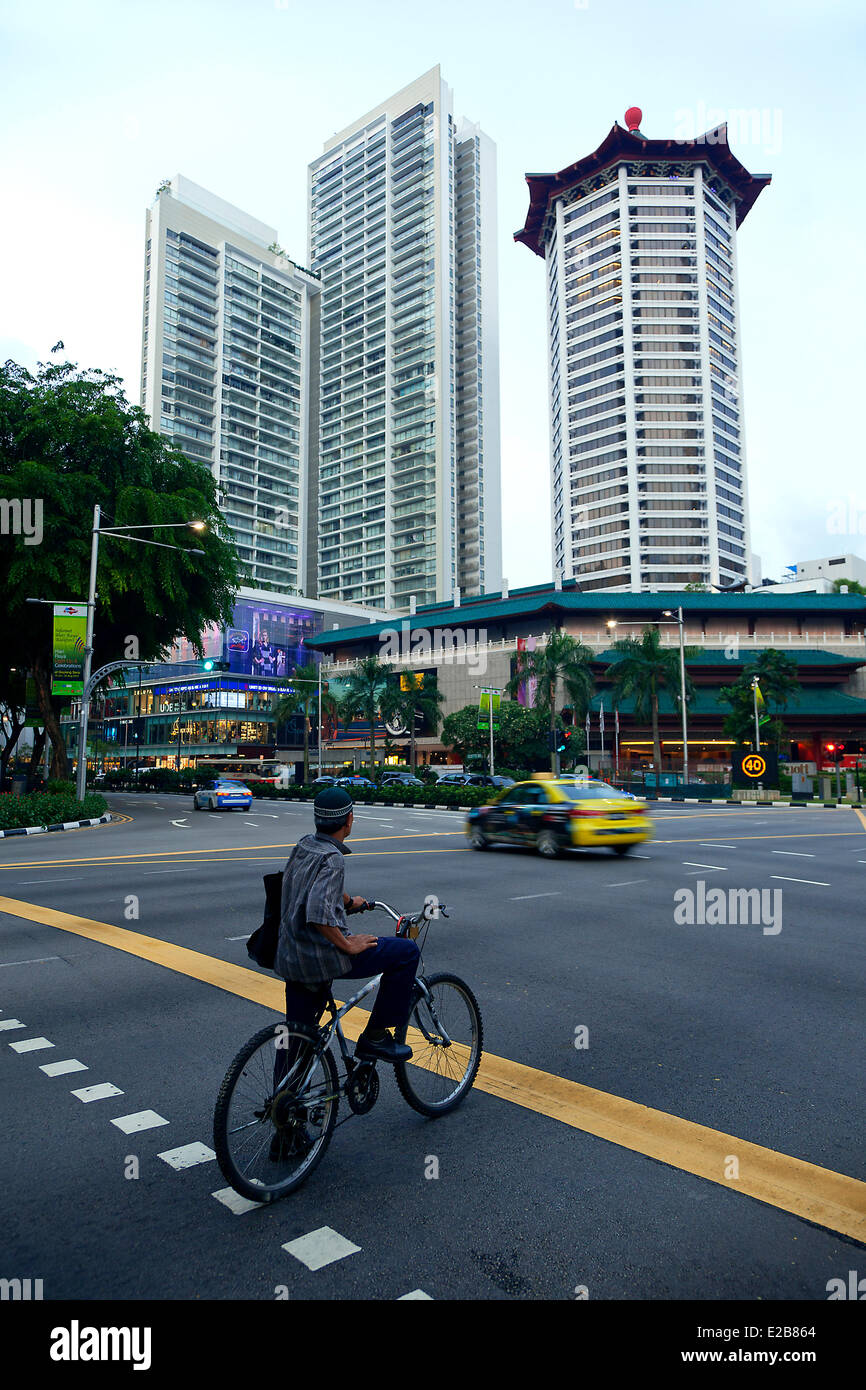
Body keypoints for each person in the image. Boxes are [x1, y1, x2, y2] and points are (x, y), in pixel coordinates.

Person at [275, 785, 419, 1063]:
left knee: (297, 1034)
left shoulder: (305, 845)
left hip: (291, 956)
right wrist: (347, 944)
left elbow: (311, 886)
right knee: (406, 953)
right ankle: (375, 1037)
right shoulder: (333, 858)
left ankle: (283, 1101)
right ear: (349, 819)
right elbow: (318, 911)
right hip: (320, 956)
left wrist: (349, 902)